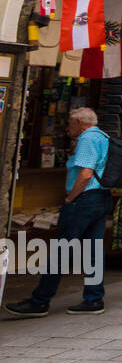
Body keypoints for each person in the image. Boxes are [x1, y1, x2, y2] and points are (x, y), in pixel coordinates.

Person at [6, 107, 112, 317]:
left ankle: (40, 300)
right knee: (93, 251)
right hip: (100, 198)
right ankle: (93, 298)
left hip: (84, 199)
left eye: (70, 124)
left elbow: (85, 173)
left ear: (80, 122)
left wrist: (70, 198)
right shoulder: (104, 136)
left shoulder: (87, 139)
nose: (67, 129)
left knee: (62, 249)